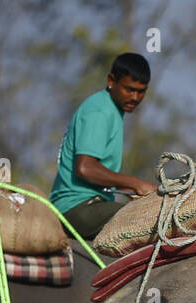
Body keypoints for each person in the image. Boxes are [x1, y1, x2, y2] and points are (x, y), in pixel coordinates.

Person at [50, 52, 157, 242]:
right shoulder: (99, 111)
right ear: (111, 81)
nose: (135, 97)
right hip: (78, 207)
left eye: (141, 91)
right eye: (129, 89)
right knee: (151, 217)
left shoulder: (113, 110)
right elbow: (85, 168)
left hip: (94, 202)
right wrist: (136, 184)